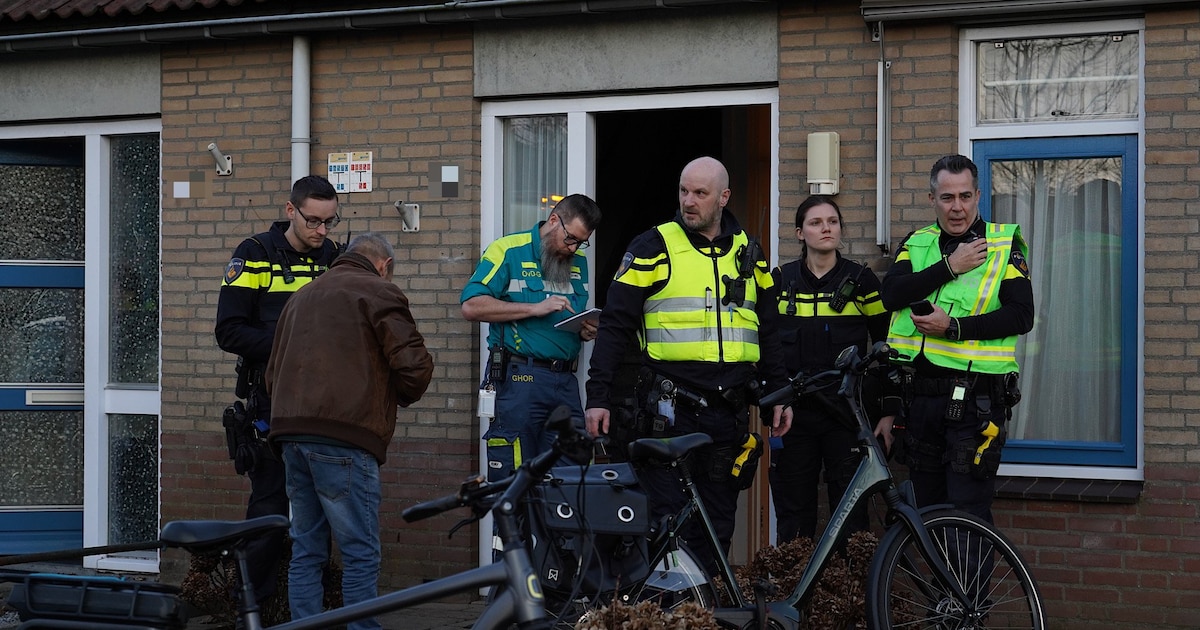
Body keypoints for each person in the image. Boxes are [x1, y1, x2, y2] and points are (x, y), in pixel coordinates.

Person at [584, 156, 793, 573]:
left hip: (729, 415)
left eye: (700, 193)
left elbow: (770, 328)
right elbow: (615, 327)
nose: (689, 201)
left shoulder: (750, 253)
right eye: (684, 191)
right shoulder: (652, 246)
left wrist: (779, 392)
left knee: (717, 523)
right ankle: (668, 614)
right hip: (670, 414)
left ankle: (705, 611)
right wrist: (598, 396)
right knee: (669, 523)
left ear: (723, 197)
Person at [265, 232, 434, 630]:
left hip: (291, 435)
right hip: (344, 438)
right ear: (385, 265)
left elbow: (273, 373)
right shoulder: (378, 292)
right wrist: (401, 396)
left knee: (307, 549)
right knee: (360, 552)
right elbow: (414, 366)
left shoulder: (302, 296)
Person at [878, 154, 1034, 524]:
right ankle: (940, 586)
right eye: (947, 198)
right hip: (921, 406)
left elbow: (1021, 315)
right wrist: (951, 267)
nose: (958, 207)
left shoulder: (1001, 244)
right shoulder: (917, 243)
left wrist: (955, 327)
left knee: (968, 519)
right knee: (925, 518)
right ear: (932, 199)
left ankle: (969, 588)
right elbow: (892, 295)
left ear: (978, 195)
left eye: (965, 196)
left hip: (974, 405)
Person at [214, 174, 342, 606]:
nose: (322, 231)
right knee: (269, 507)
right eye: (313, 221)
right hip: (273, 400)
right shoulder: (254, 255)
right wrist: (291, 343)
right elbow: (229, 331)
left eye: (330, 222)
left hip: (326, 401)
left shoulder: (334, 258)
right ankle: (249, 605)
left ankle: (310, 607)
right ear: (291, 211)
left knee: (322, 509)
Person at [768, 195, 890, 544]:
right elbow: (767, 348)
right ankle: (793, 595)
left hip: (847, 417)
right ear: (799, 233)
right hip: (794, 417)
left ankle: (851, 595)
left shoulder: (863, 281)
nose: (826, 228)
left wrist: (887, 412)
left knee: (853, 517)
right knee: (793, 516)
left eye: (833, 222)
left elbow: (885, 348)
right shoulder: (780, 281)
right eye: (816, 222)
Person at [461, 193, 602, 480]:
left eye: (581, 242)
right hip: (520, 380)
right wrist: (533, 308)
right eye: (571, 238)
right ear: (553, 221)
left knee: (570, 480)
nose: (573, 248)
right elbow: (471, 305)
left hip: (565, 383)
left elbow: (568, 315)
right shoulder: (508, 250)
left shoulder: (579, 261)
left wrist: (585, 330)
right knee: (517, 480)